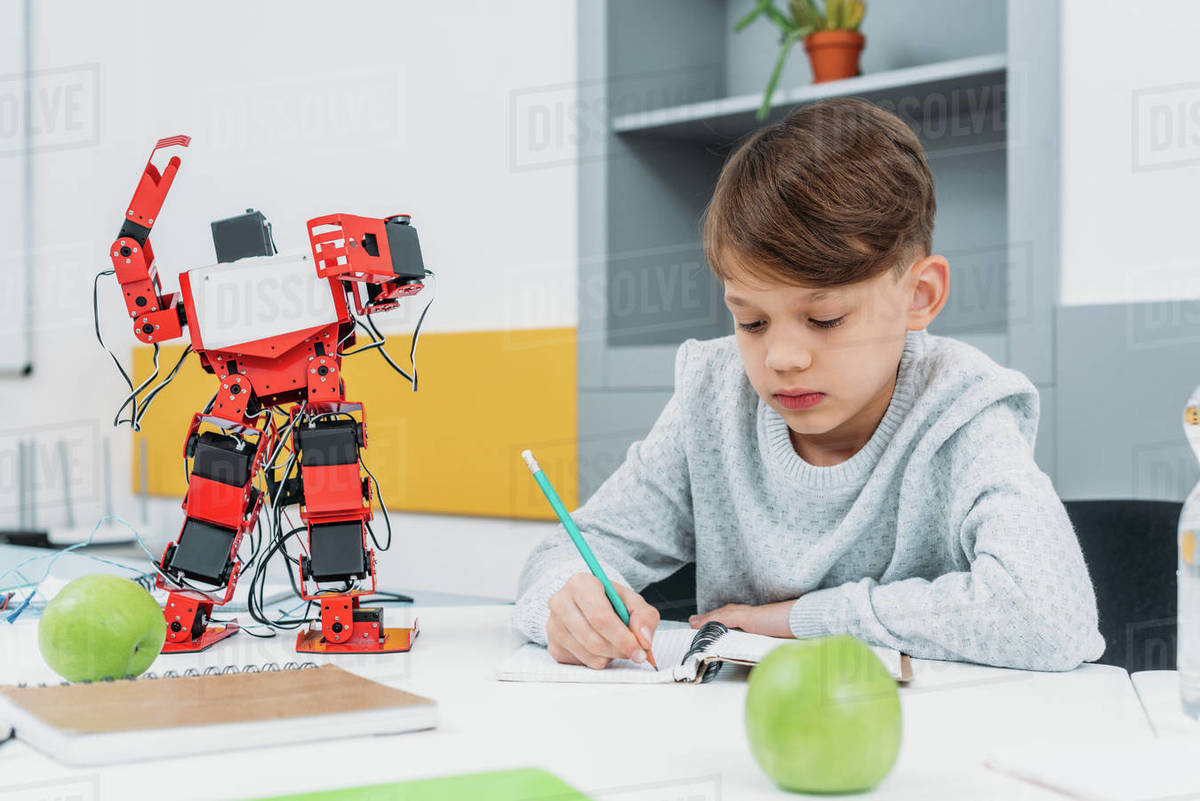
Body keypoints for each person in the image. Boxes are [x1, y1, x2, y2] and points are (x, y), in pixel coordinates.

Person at [512, 97, 1104, 672]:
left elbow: (1051, 618)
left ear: (918, 297)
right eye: (751, 321)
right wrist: (572, 604)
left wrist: (805, 620)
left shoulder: (962, 407)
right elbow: (567, 553)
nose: (783, 358)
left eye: (825, 320)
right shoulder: (714, 394)